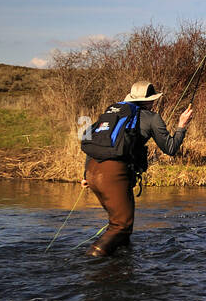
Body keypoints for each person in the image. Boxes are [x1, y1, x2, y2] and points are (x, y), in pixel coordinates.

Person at [82, 81, 192, 257]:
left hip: (92, 171)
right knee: (121, 225)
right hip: (113, 175)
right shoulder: (152, 118)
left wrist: (85, 175)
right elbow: (170, 148)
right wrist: (182, 126)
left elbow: (95, 142)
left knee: (123, 227)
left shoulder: (114, 114)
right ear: (150, 101)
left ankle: (124, 264)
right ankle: (90, 261)